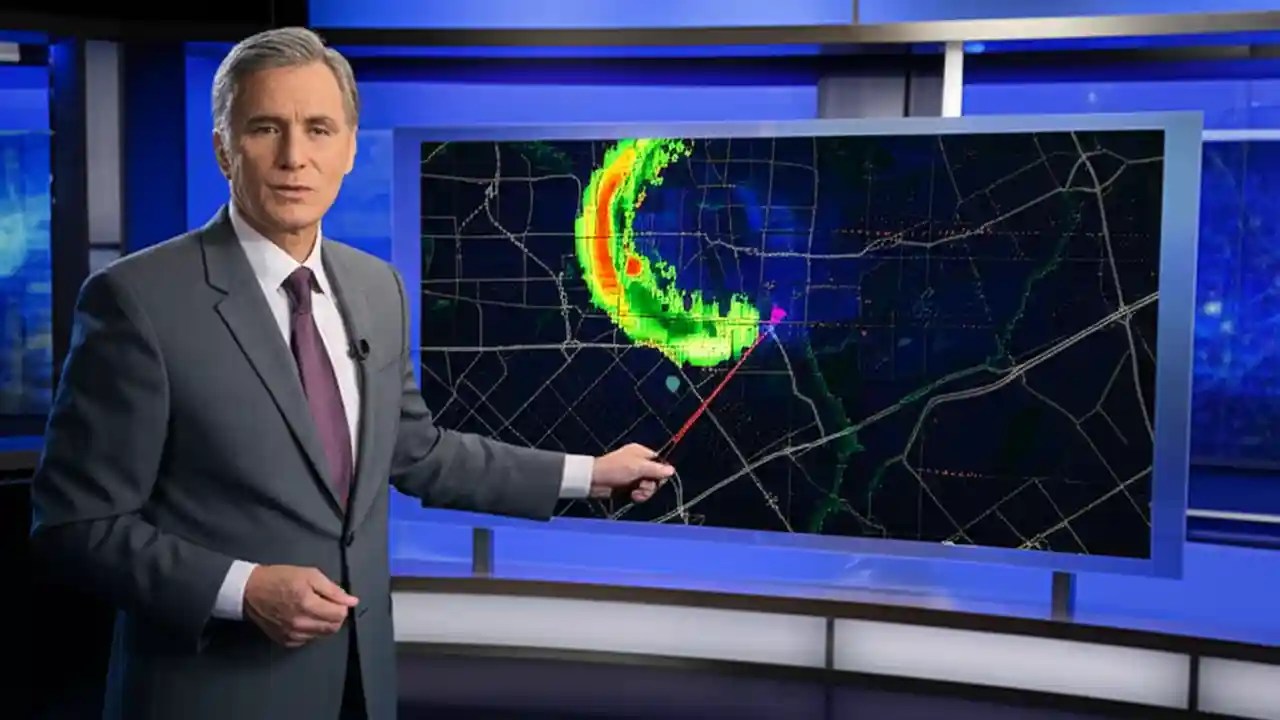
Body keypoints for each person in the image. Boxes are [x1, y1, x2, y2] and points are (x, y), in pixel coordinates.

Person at [28, 26, 674, 720]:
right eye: (265, 128)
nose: (293, 157)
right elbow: (74, 524)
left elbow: (416, 453)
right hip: (210, 693)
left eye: (318, 129)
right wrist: (240, 589)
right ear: (223, 146)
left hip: (359, 688)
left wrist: (587, 474)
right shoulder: (138, 301)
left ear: (349, 149)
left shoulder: (376, 290)